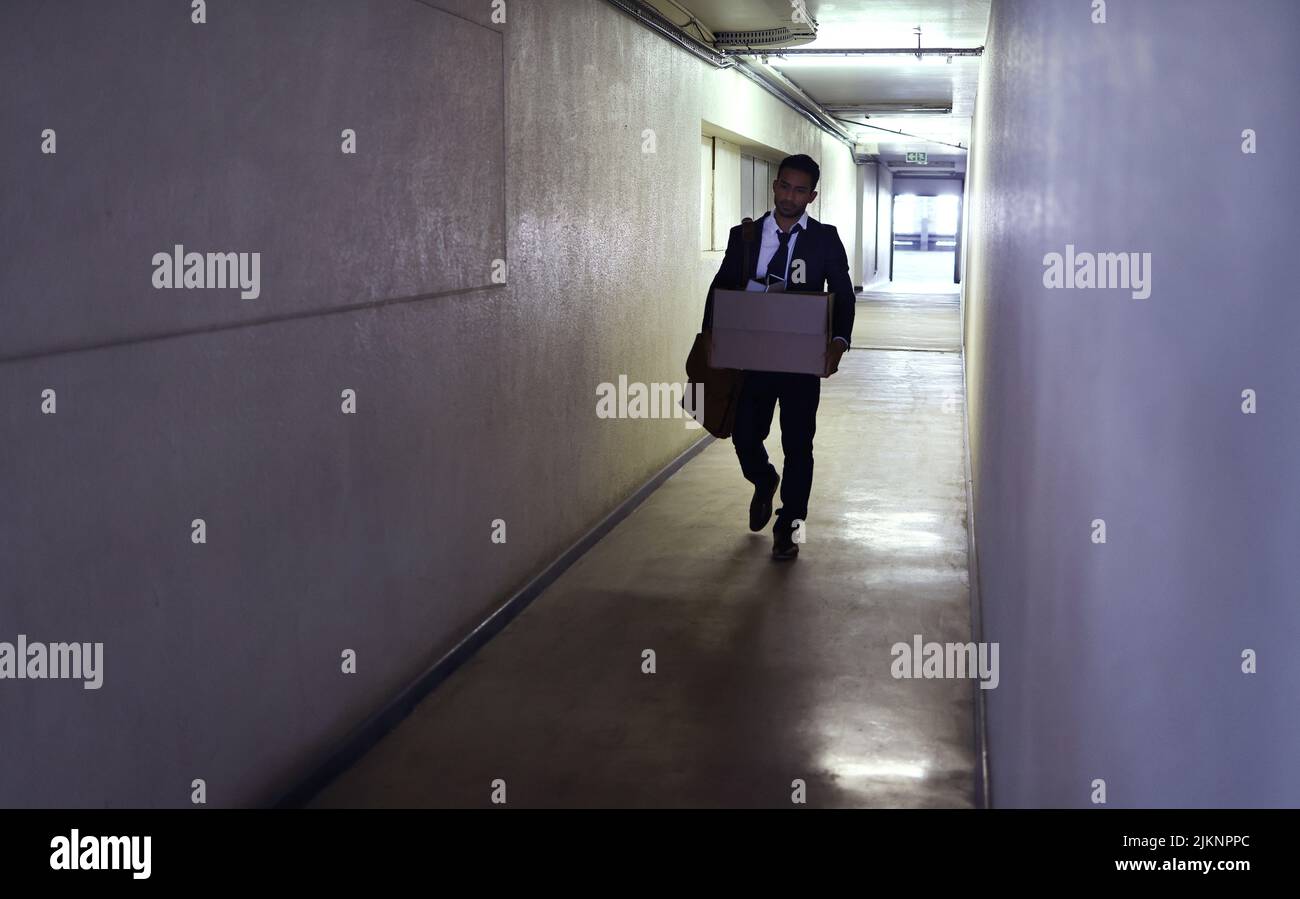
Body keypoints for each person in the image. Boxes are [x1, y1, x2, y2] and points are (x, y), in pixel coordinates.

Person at [700, 153, 855, 560]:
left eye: (800, 190)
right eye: (784, 186)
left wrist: (838, 342)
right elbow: (722, 286)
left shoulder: (824, 239)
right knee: (746, 435)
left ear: (812, 195)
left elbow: (843, 293)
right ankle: (764, 479)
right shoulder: (745, 236)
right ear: (774, 185)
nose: (790, 196)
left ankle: (790, 527)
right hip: (752, 359)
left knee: (799, 445)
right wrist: (711, 336)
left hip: (801, 362)